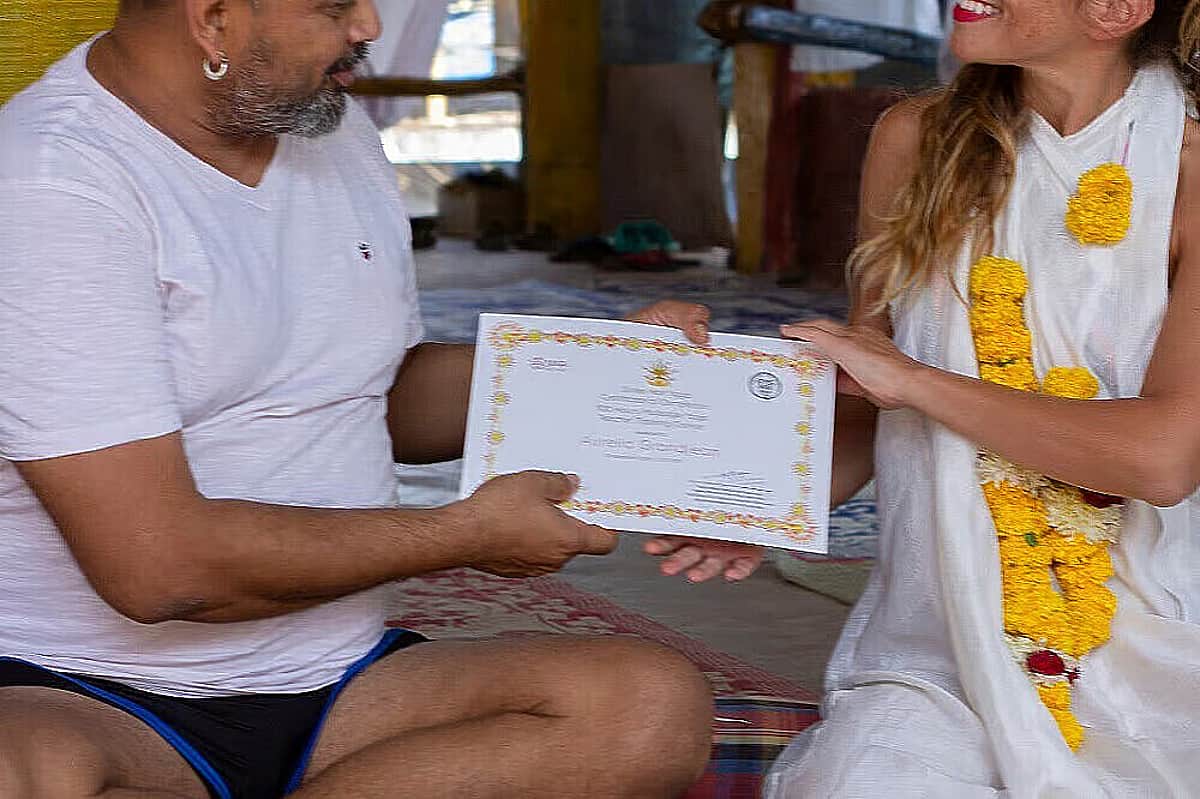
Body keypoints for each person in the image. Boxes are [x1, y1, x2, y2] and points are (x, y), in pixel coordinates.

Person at [0, 2, 717, 797]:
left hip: (342, 692)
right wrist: (462, 533)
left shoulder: (331, 135)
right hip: (82, 692)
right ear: (213, 20)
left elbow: (373, 386)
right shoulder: (50, 181)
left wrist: (604, 373)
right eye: (335, 6)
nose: (369, 26)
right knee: (21, 771)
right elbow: (160, 571)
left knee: (647, 707)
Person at [652, 0, 1200, 795]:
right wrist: (760, 501)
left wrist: (913, 380)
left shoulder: (1187, 170)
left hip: (1155, 647)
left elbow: (1162, 458)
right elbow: (864, 392)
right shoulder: (917, 140)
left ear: (1114, 9)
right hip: (935, 647)